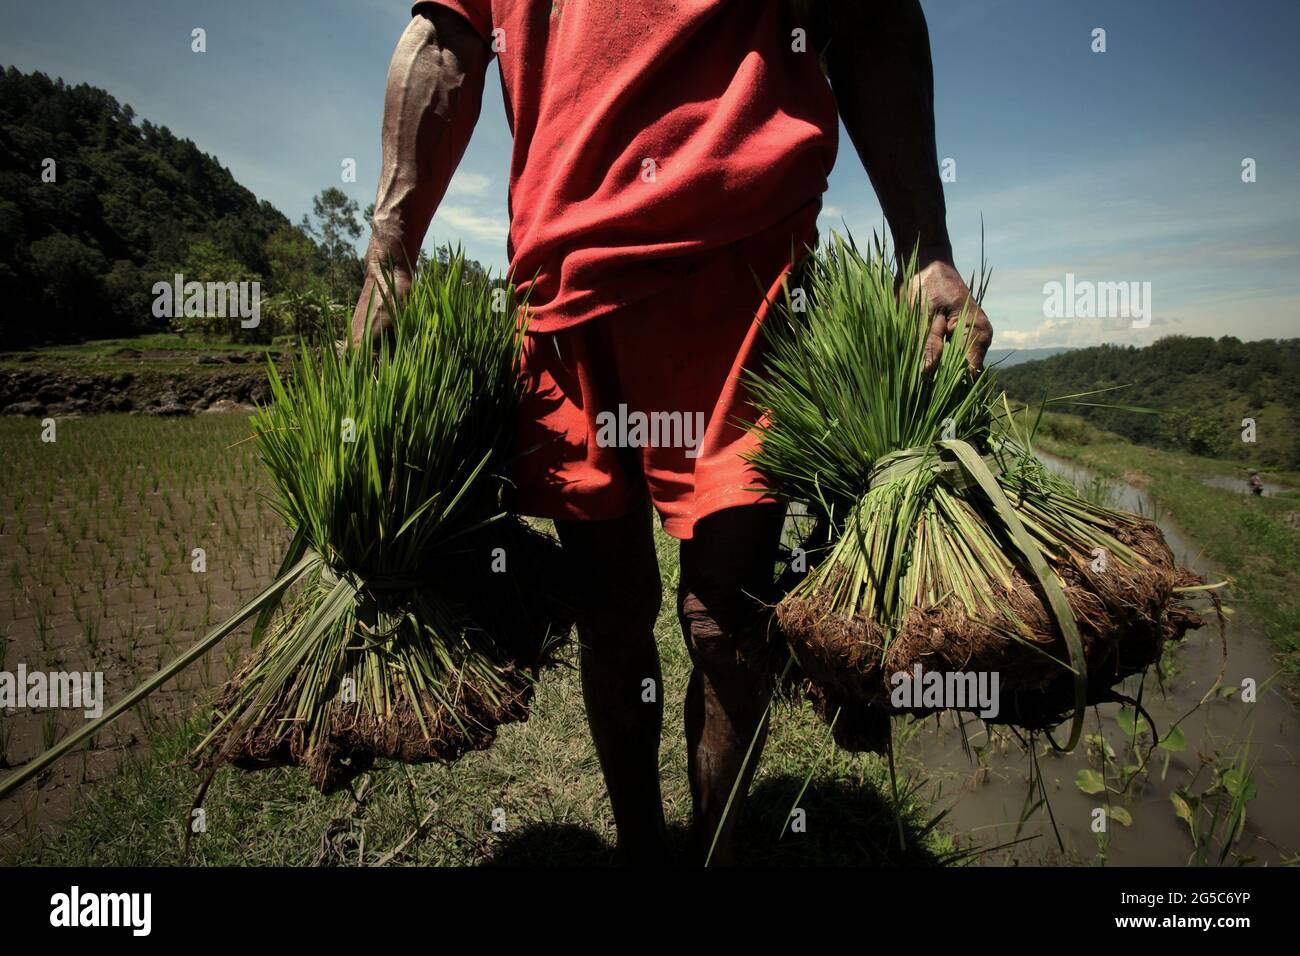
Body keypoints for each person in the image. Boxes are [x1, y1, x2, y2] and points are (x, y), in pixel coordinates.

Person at [351, 0, 993, 865]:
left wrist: (926, 247)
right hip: (564, 282)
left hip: (743, 270)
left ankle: (716, 854)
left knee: (727, 623)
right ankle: (644, 849)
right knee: (609, 612)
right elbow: (446, 37)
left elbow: (872, 18)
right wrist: (391, 249)